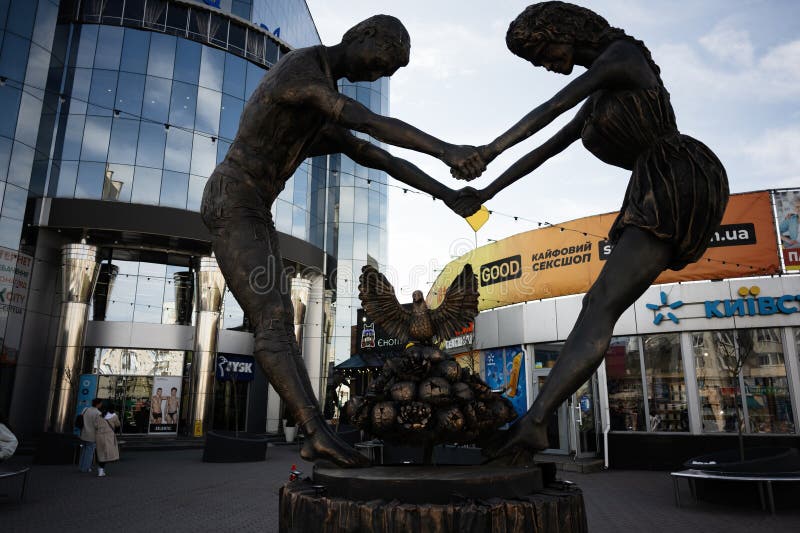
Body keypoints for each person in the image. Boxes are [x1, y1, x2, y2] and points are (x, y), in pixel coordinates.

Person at [200, 14, 484, 467]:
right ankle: (315, 432)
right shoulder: (302, 72)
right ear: (363, 35)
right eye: (384, 61)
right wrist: (447, 150)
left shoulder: (316, 105)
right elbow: (368, 122)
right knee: (273, 319)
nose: (380, 73)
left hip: (253, 206)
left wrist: (447, 194)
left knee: (279, 323)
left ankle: (315, 432)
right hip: (232, 198)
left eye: (389, 71)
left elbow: (378, 157)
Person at [456, 2, 728, 456]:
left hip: (676, 176)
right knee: (598, 303)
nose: (545, 66)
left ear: (561, 30)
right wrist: (486, 191)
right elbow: (544, 149)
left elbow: (551, 108)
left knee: (601, 302)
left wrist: (487, 150)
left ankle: (536, 422)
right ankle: (536, 422)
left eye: (541, 53)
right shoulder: (600, 95)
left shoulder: (622, 57)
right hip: (652, 182)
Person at [95, 402, 120, 477]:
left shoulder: (100, 415)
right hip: (109, 436)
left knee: (101, 453)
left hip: (99, 436)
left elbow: (96, 425)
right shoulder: (114, 416)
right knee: (107, 453)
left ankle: (101, 469)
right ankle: (101, 469)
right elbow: (118, 424)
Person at [78, 398, 103, 472]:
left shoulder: (85, 409)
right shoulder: (98, 413)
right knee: (89, 452)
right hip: (92, 435)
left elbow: (81, 418)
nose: (101, 405)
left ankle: (81, 466)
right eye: (101, 403)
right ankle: (86, 468)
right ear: (98, 404)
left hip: (83, 433)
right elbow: (97, 425)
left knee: (83, 451)